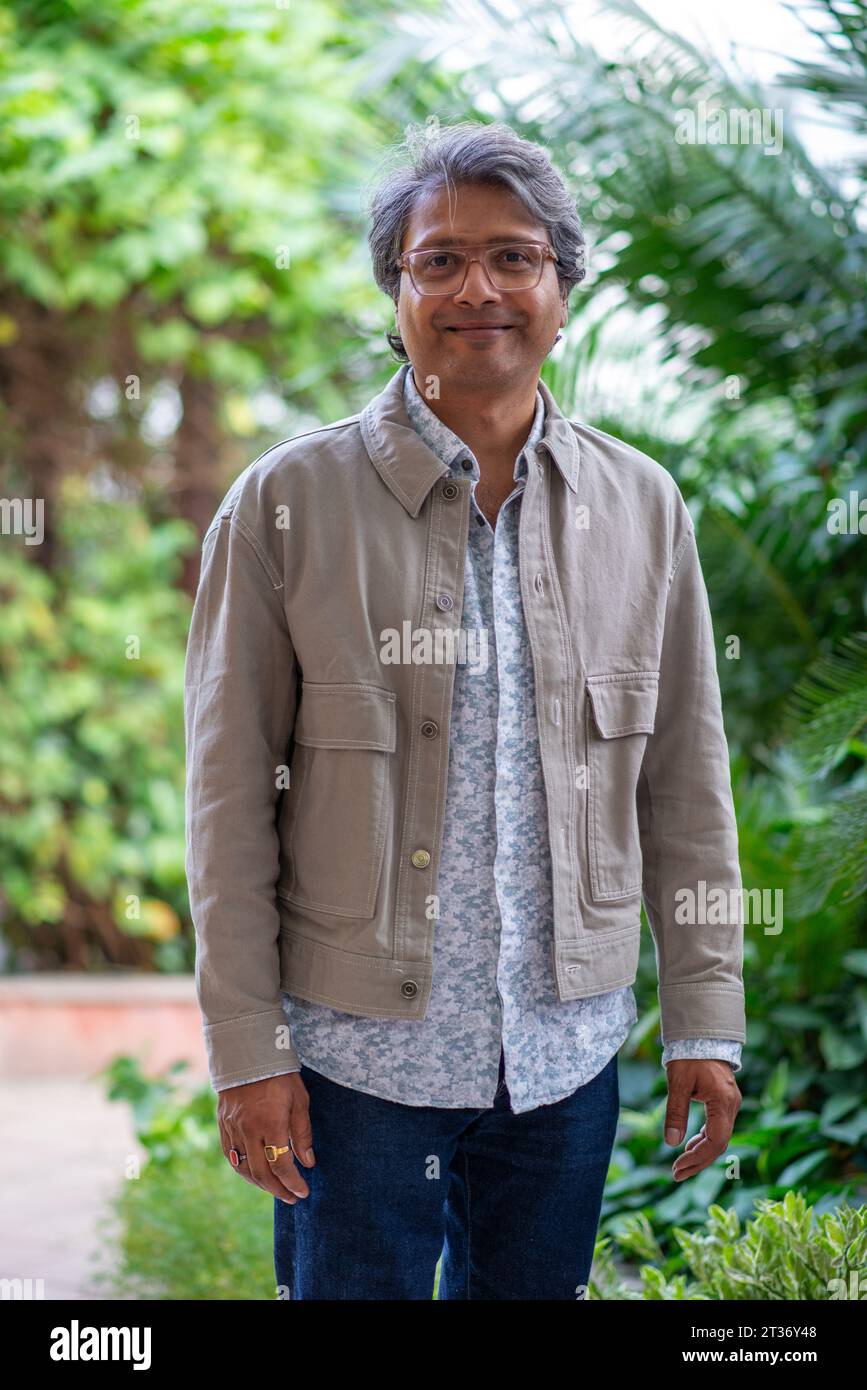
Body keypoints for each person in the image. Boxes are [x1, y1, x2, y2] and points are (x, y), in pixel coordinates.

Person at [183, 120, 745, 1301]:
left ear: (562, 288)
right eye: (437, 260)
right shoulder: (285, 504)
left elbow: (687, 787)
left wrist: (705, 1021)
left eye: (514, 257)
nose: (476, 288)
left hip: (565, 1061)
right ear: (395, 289)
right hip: (355, 1067)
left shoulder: (643, 510)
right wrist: (248, 1053)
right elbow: (228, 806)